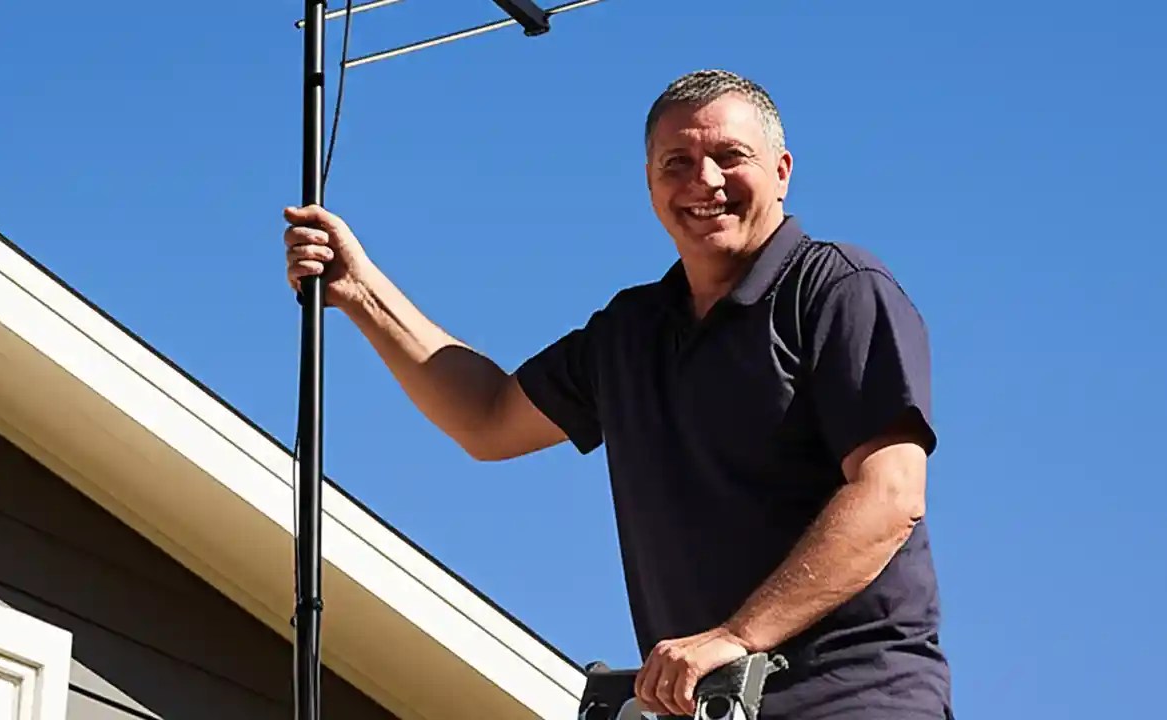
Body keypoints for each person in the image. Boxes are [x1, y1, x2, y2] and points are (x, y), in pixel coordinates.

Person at [282, 69, 952, 719]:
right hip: (711, 707)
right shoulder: (632, 332)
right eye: (676, 163)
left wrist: (735, 636)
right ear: (649, 184)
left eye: (730, 156)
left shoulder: (837, 290)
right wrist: (358, 289)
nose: (704, 181)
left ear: (781, 171)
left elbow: (891, 495)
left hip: (854, 699)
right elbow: (487, 419)